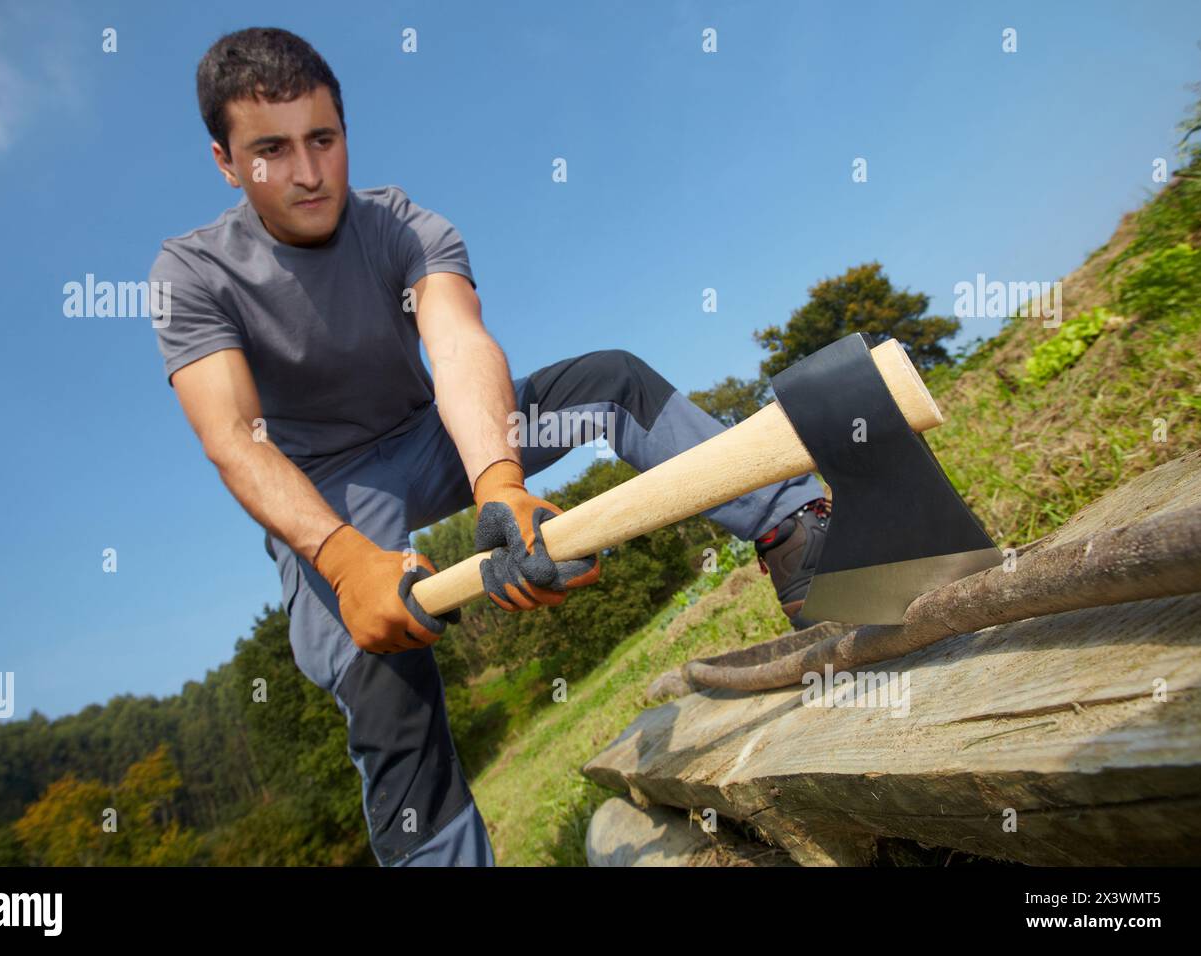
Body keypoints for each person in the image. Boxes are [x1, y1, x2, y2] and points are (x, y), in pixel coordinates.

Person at [148, 27, 829, 867]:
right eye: (271, 151)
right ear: (225, 161)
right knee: (382, 664)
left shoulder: (400, 224)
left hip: (437, 438)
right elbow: (233, 440)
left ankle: (807, 540)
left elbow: (460, 345)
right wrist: (339, 558)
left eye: (324, 139)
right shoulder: (191, 273)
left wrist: (500, 482)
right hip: (326, 498)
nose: (307, 172)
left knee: (610, 379)